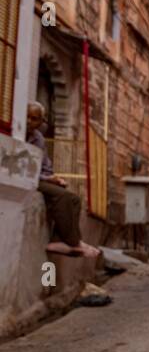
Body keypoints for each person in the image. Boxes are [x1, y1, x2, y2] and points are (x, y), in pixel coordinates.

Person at [27, 102, 99, 259]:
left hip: (41, 177)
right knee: (63, 196)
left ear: (41, 122)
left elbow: (45, 165)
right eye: (27, 117)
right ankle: (74, 242)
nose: (29, 122)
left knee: (74, 199)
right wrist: (48, 178)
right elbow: (28, 168)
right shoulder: (19, 133)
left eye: (34, 119)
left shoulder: (38, 138)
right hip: (28, 177)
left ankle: (58, 241)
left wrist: (54, 178)